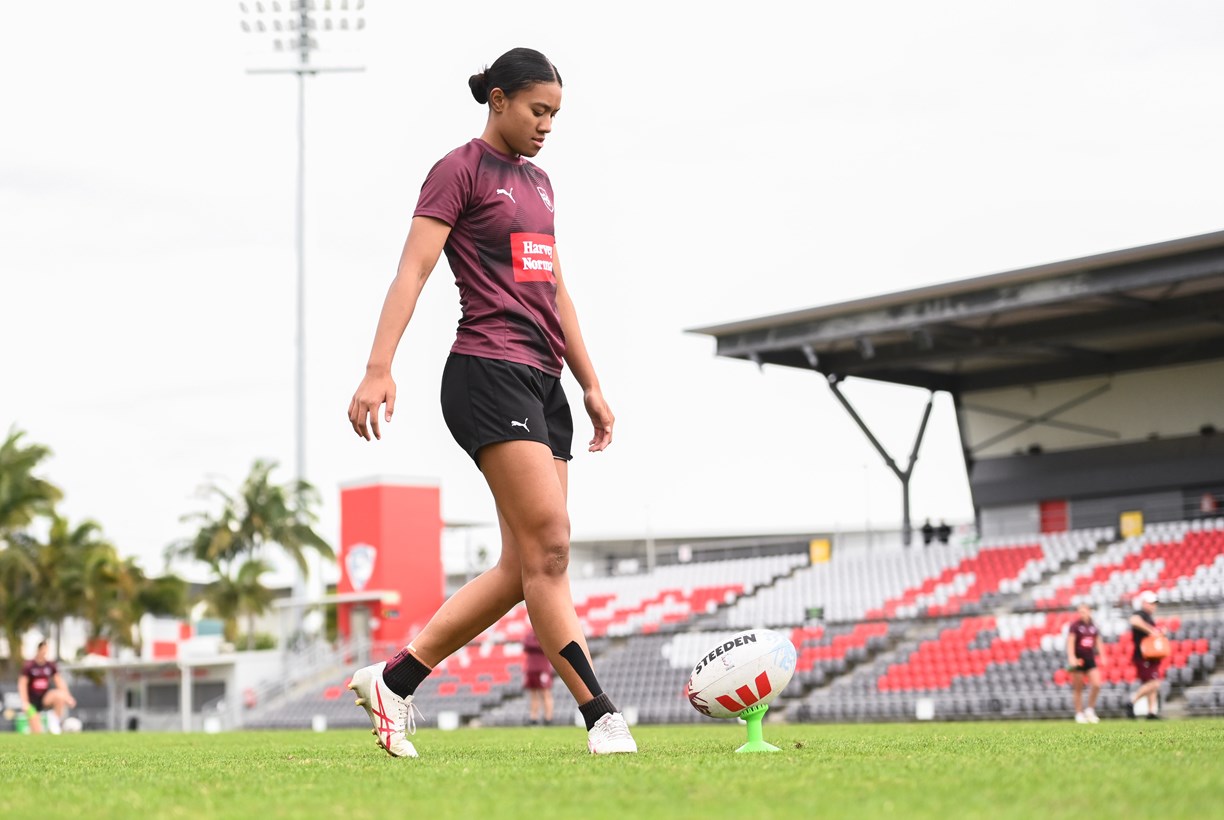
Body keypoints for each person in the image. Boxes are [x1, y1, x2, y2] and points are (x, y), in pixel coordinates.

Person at [345, 47, 636, 757]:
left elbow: (557, 291)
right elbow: (412, 270)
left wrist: (590, 381)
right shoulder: (459, 170)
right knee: (553, 547)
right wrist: (378, 367)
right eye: (538, 110)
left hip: (544, 379)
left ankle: (396, 681)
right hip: (485, 371)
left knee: (525, 565)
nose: (546, 126)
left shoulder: (540, 184)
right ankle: (600, 713)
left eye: (556, 116)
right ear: (498, 100)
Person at [17, 640, 76, 735]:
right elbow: (22, 684)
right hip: (32, 702)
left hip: (44, 698)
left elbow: (59, 682)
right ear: (39, 650)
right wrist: (24, 702)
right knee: (37, 732)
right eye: (43, 650)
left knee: (59, 696)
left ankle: (54, 720)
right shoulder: (29, 666)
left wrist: (68, 697)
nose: (45, 653)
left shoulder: (50, 666)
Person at [1128, 590, 1164, 719]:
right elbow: (1134, 620)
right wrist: (1152, 631)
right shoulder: (1140, 614)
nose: (1153, 606)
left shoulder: (1148, 617)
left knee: (1151, 683)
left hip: (1151, 655)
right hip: (1143, 655)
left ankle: (1151, 712)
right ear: (1144, 603)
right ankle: (1132, 700)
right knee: (1154, 683)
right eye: (1151, 603)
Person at [1066, 604, 1101, 723]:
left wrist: (1102, 655)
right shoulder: (1075, 626)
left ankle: (1090, 709)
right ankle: (1079, 713)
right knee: (1078, 687)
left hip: (1090, 658)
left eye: (1084, 611)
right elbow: (1070, 641)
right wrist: (1071, 657)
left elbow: (1098, 641)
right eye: (1080, 612)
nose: (1082, 614)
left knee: (1096, 684)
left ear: (1089, 612)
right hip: (1078, 659)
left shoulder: (1094, 626)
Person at [522, 624, 554, 725]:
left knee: (545, 693)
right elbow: (527, 644)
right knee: (533, 694)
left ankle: (548, 718)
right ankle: (533, 718)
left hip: (542, 668)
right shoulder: (530, 634)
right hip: (531, 669)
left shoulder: (544, 632)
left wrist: (535, 643)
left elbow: (544, 645)